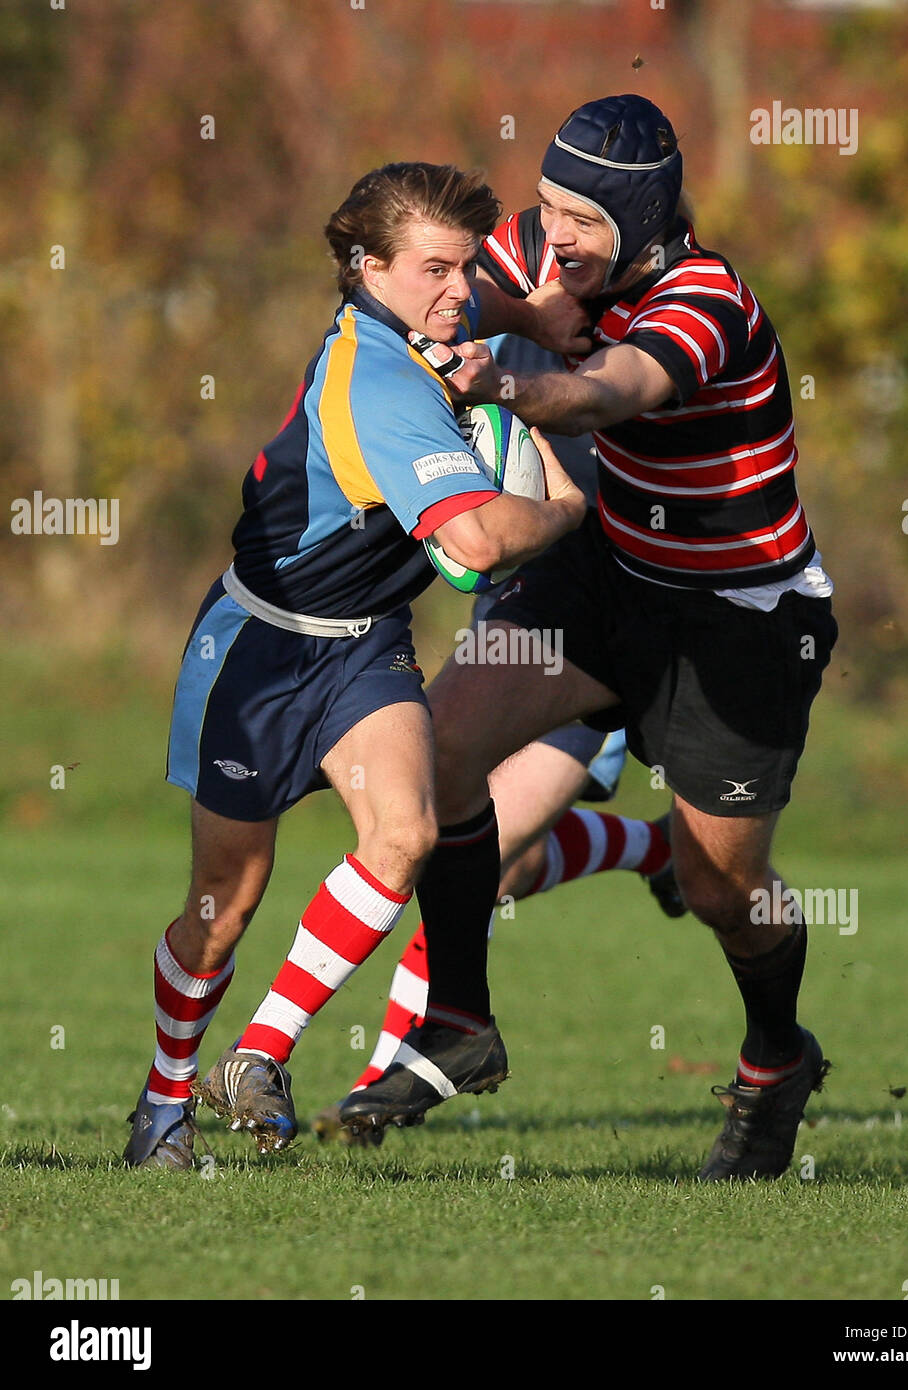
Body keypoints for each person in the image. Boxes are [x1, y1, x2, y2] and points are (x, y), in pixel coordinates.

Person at [328, 96, 838, 1182]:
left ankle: (774, 1059)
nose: (552, 232)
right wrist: (507, 306)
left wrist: (508, 376)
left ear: (641, 220)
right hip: (603, 578)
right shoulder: (542, 252)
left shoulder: (708, 301)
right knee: (439, 748)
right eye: (548, 205)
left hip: (737, 620)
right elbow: (454, 281)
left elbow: (613, 391)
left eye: (582, 219)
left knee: (722, 892)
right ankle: (460, 1020)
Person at [122, 162, 588, 1168]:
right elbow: (475, 545)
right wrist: (562, 511)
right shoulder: (377, 383)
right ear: (368, 268)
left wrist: (533, 320)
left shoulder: (423, 316)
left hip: (367, 642)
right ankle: (163, 1100)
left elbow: (479, 300)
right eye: (436, 270)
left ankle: (256, 1054)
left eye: (466, 267)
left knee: (406, 833)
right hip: (259, 651)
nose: (459, 289)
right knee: (224, 905)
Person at [313, 333, 684, 1145]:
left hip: (593, 642)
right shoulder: (474, 329)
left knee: (467, 854)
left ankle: (380, 1083)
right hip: (512, 629)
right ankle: (657, 851)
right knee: (494, 861)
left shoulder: (627, 342)